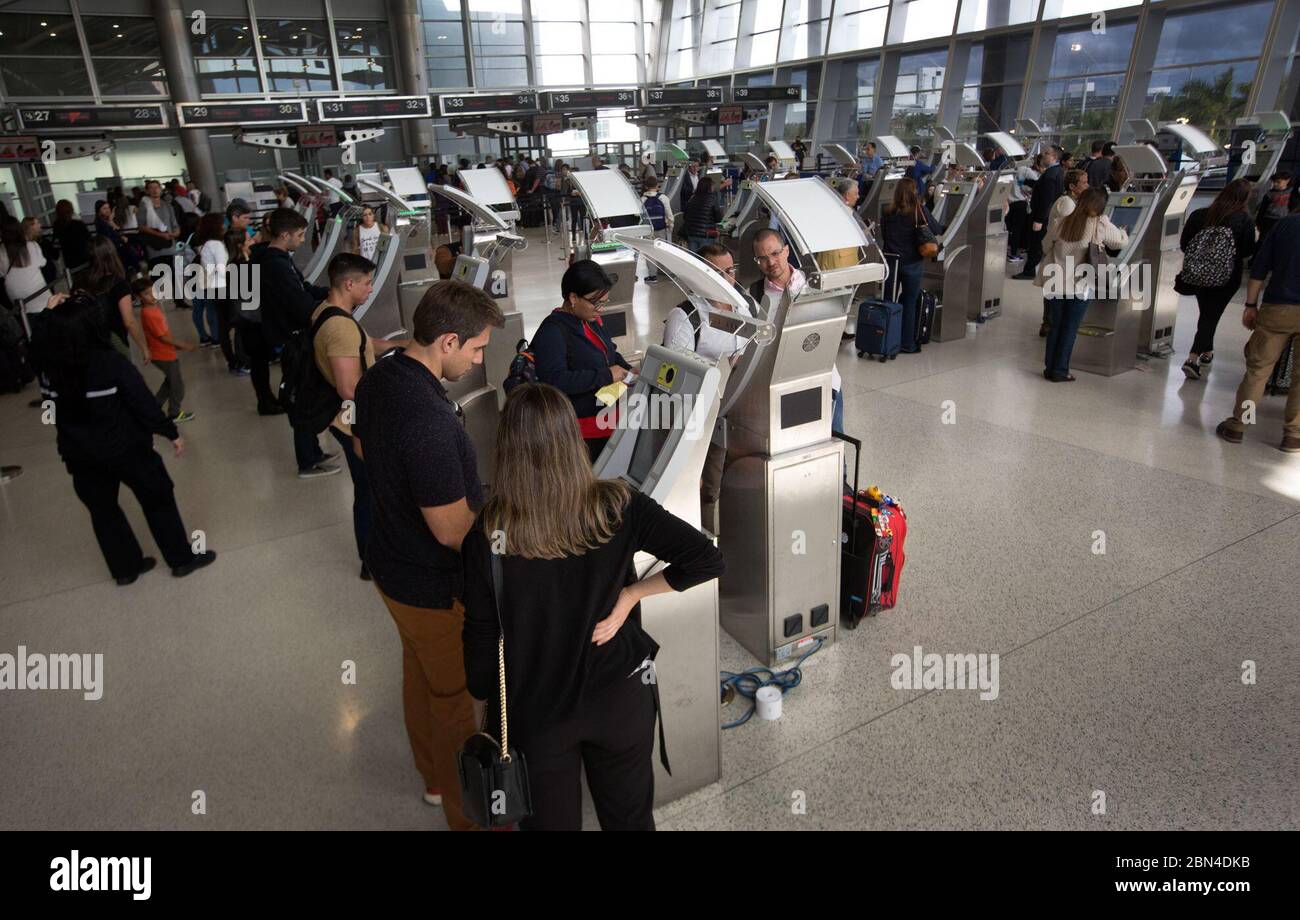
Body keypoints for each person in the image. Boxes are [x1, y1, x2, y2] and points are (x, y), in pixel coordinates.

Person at [460, 383, 724, 831]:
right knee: (630, 820)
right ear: (572, 440)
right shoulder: (617, 507)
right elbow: (706, 558)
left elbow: (482, 650)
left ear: (506, 450)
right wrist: (630, 595)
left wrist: (483, 702)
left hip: (539, 714)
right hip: (620, 696)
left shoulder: (488, 536)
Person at [352, 279, 504, 830]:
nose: (479, 358)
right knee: (456, 701)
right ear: (447, 341)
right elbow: (449, 529)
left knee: (421, 676)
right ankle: (466, 817)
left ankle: (433, 778)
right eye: (477, 347)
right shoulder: (429, 422)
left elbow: (361, 444)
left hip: (390, 563)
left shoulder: (383, 374)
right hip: (432, 582)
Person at [32, 291, 216, 585]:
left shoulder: (47, 365)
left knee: (104, 512)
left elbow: (38, 344)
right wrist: (171, 432)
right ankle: (181, 559)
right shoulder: (109, 363)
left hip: (79, 455)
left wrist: (47, 316)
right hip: (126, 448)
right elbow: (142, 403)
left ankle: (126, 569)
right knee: (158, 499)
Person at [312, 253, 407, 578]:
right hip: (353, 420)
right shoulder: (340, 327)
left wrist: (405, 345)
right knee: (370, 489)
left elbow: (363, 344)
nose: (370, 289)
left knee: (369, 487)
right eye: (366, 283)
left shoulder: (328, 311)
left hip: (346, 418)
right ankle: (373, 560)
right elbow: (349, 388)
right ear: (349, 283)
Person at [662, 243, 754, 531]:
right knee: (708, 483)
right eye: (716, 272)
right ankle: (706, 536)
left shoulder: (742, 305)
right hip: (703, 414)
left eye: (729, 271)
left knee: (739, 478)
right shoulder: (686, 315)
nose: (725, 278)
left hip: (738, 407)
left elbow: (750, 348)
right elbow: (675, 378)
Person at [250, 208, 337, 478]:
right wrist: (330, 309)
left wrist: (331, 294)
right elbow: (299, 304)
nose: (302, 240)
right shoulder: (275, 265)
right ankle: (307, 461)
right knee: (304, 398)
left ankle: (313, 450)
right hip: (290, 338)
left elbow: (303, 289)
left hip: (286, 335)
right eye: (299, 235)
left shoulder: (274, 258)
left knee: (305, 395)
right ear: (285, 235)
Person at [1215, 207, 1300, 451]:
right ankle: (1293, 434)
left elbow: (1260, 268)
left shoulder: (1286, 225)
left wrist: (1251, 304)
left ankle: (1240, 424)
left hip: (1279, 308)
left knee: (1258, 371)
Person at [532, 260, 634, 462]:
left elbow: (610, 353)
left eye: (604, 302)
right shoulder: (553, 331)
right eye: (596, 302)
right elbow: (554, 380)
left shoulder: (590, 320)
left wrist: (628, 369)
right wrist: (605, 375)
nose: (601, 309)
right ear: (573, 298)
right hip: (582, 431)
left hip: (608, 417)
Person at [749, 228, 844, 430]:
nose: (771, 263)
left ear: (786, 251)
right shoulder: (756, 295)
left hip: (823, 379)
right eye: (762, 258)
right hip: (783, 386)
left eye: (775, 254)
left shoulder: (814, 282)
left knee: (833, 441)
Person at [1035, 188, 1128, 382]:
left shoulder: (1062, 222)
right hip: (1080, 285)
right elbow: (1119, 243)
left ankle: (1049, 368)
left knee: (1056, 325)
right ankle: (1060, 371)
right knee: (1070, 328)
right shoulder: (1099, 223)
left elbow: (1045, 245)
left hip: (1056, 282)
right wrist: (1124, 232)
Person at [1177, 179, 1257, 380]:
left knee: (1207, 312)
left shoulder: (1199, 215)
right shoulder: (1243, 219)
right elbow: (1247, 251)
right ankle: (1192, 358)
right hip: (1227, 277)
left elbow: (1185, 244)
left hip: (1197, 275)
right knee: (1211, 315)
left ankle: (1208, 351)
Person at [879, 178, 944, 356]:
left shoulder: (887, 211)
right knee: (909, 302)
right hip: (912, 263)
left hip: (891, 261)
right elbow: (937, 229)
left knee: (888, 301)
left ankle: (885, 340)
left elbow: (884, 235)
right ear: (913, 192)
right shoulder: (918, 210)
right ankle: (907, 343)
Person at [134, 276, 195, 422]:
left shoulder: (151, 309)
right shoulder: (149, 313)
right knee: (177, 386)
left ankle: (153, 407)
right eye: (147, 294)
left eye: (153, 291)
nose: (152, 295)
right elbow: (163, 337)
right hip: (163, 355)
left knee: (170, 382)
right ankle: (174, 413)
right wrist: (182, 344)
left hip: (164, 352)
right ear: (139, 297)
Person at [85, 235, 147, 363]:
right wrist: (144, 348)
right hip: (113, 339)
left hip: (89, 341)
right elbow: (129, 321)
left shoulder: (82, 281)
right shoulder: (119, 284)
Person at [1015, 146, 1062, 280]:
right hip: (1046, 215)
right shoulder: (1055, 172)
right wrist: (1025, 182)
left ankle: (1029, 271)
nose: (1043, 155)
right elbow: (1040, 186)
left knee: (1036, 244)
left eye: (1046, 153)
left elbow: (1047, 198)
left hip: (1041, 216)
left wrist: (1039, 219)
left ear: (1054, 157)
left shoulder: (1050, 175)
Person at [1, 217, 49, 322]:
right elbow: (42, 263)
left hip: (17, 298)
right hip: (38, 293)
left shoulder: (1, 251)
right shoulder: (31, 245)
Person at [190, 212, 225, 349]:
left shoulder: (197, 239)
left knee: (198, 308)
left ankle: (203, 336)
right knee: (211, 308)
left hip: (195, 275)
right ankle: (216, 337)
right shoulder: (216, 243)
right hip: (209, 279)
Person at [817, 178, 862, 270]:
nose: (858, 197)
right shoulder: (841, 212)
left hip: (838, 260)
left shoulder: (833, 208)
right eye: (856, 193)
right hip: (840, 263)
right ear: (847, 195)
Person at [137, 179, 181, 267]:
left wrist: (175, 233)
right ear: (147, 191)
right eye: (151, 188)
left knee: (174, 277)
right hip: (154, 248)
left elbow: (175, 225)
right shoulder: (144, 206)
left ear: (160, 189)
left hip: (170, 246)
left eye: (157, 187)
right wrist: (160, 235)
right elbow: (141, 227)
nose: (155, 190)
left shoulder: (168, 205)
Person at [640, 175, 674, 284]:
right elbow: (669, 214)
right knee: (663, 250)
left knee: (650, 252)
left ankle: (652, 276)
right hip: (661, 228)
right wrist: (670, 226)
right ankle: (668, 272)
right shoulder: (663, 198)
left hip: (648, 230)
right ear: (657, 186)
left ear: (645, 186)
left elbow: (638, 215)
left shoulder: (642, 199)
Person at [1007, 154, 1039, 263]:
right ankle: (1014, 254)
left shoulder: (1008, 170)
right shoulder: (1025, 170)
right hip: (1020, 203)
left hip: (1008, 203)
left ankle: (1009, 250)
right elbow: (1037, 183)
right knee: (1017, 230)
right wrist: (1028, 190)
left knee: (1010, 229)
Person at [51, 200, 91, 283]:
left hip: (69, 260)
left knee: (77, 283)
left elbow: (56, 242)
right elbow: (88, 238)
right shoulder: (78, 224)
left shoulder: (57, 225)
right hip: (83, 258)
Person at [683, 176, 722, 253]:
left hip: (691, 234)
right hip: (706, 235)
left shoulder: (692, 199)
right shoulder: (713, 199)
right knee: (705, 259)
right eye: (712, 186)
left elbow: (685, 216)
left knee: (694, 260)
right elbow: (718, 218)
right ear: (709, 187)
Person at [1254, 171, 1292, 240]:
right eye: (1274, 182)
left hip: (1283, 220)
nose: (1275, 184)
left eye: (1278, 182)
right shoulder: (1269, 194)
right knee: (1265, 239)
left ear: (1287, 181)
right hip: (1269, 220)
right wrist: (1258, 222)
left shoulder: (1292, 192)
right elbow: (1262, 209)